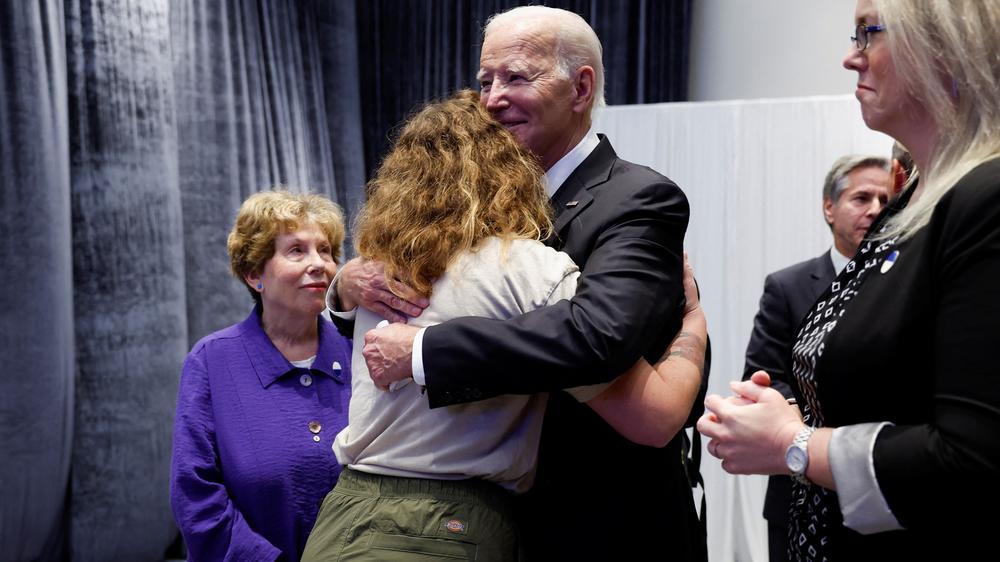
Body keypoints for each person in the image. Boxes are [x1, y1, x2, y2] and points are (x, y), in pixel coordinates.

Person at [328, 6, 707, 560]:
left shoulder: (638, 200)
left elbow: (598, 336)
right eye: (485, 81)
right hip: (482, 517)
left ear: (581, 89)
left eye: (516, 77)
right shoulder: (472, 204)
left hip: (598, 520)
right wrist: (346, 286)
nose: (492, 99)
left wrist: (425, 351)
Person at [699, 0, 1000, 559]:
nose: (849, 58)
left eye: (867, 34)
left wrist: (793, 443)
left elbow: (973, 458)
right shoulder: (913, 205)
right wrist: (779, 413)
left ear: (942, 45)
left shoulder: (986, 199)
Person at [170, 190, 352, 562]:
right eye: (297, 251)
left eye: (326, 250)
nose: (319, 263)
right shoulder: (212, 360)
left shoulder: (364, 351)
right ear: (255, 274)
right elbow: (196, 497)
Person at [742, 155, 891, 562]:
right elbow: (765, 378)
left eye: (884, 198)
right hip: (799, 490)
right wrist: (815, 434)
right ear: (830, 207)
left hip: (881, 483)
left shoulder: (903, 285)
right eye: (861, 197)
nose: (876, 209)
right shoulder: (787, 287)